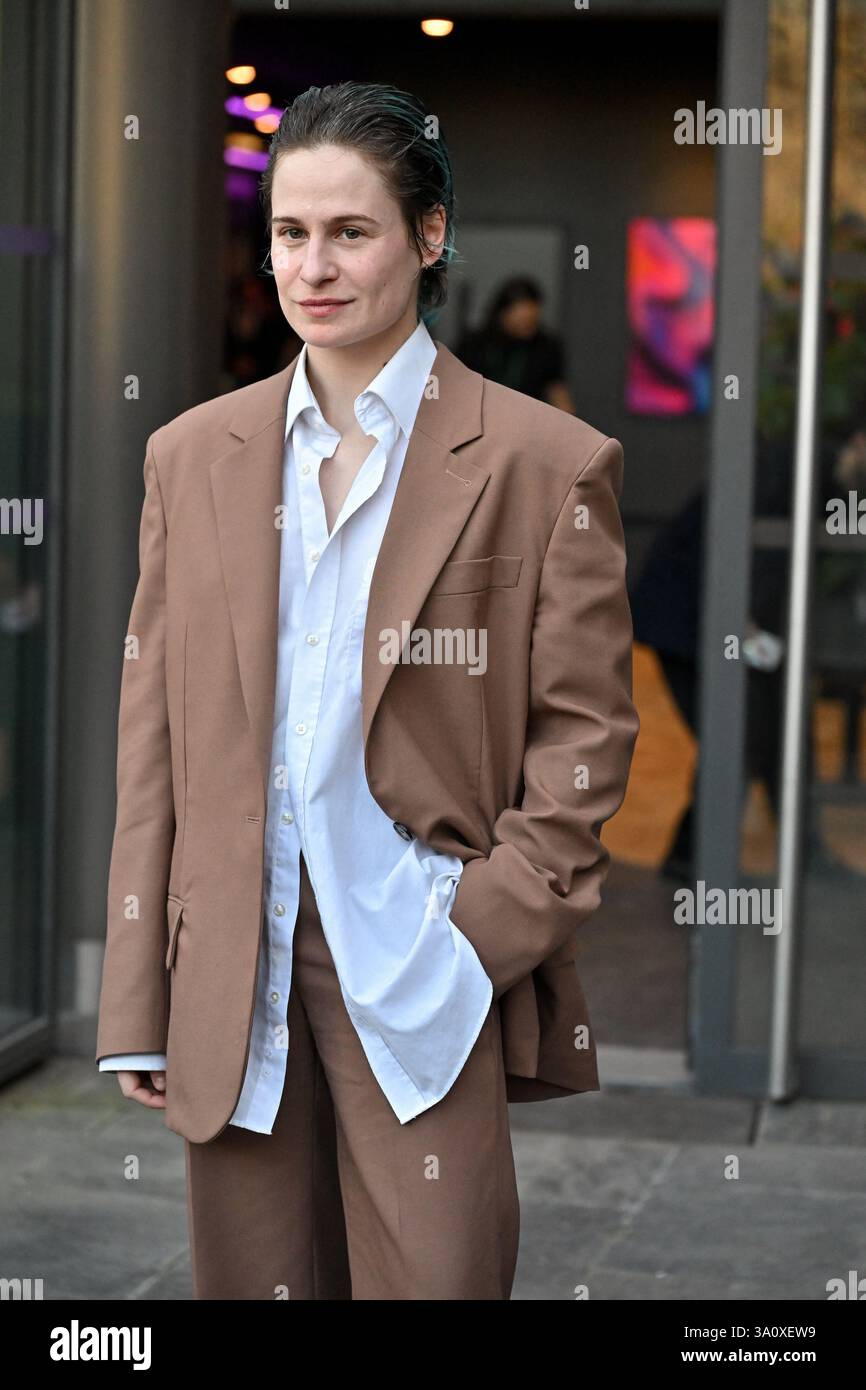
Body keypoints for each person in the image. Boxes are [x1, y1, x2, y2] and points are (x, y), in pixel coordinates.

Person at [95, 81, 639, 1301]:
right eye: (291, 233)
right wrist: (139, 991)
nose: (313, 266)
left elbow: (586, 742)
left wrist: (471, 936)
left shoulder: (545, 463)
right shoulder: (191, 455)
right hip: (236, 953)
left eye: (352, 232)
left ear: (429, 235)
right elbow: (154, 738)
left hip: (416, 956)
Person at [456, 276, 576, 412]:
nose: (527, 327)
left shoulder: (546, 346)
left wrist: (569, 425)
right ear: (502, 314)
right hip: (479, 415)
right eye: (521, 321)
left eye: (532, 321)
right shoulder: (474, 344)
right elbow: (457, 386)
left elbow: (557, 391)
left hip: (527, 418)